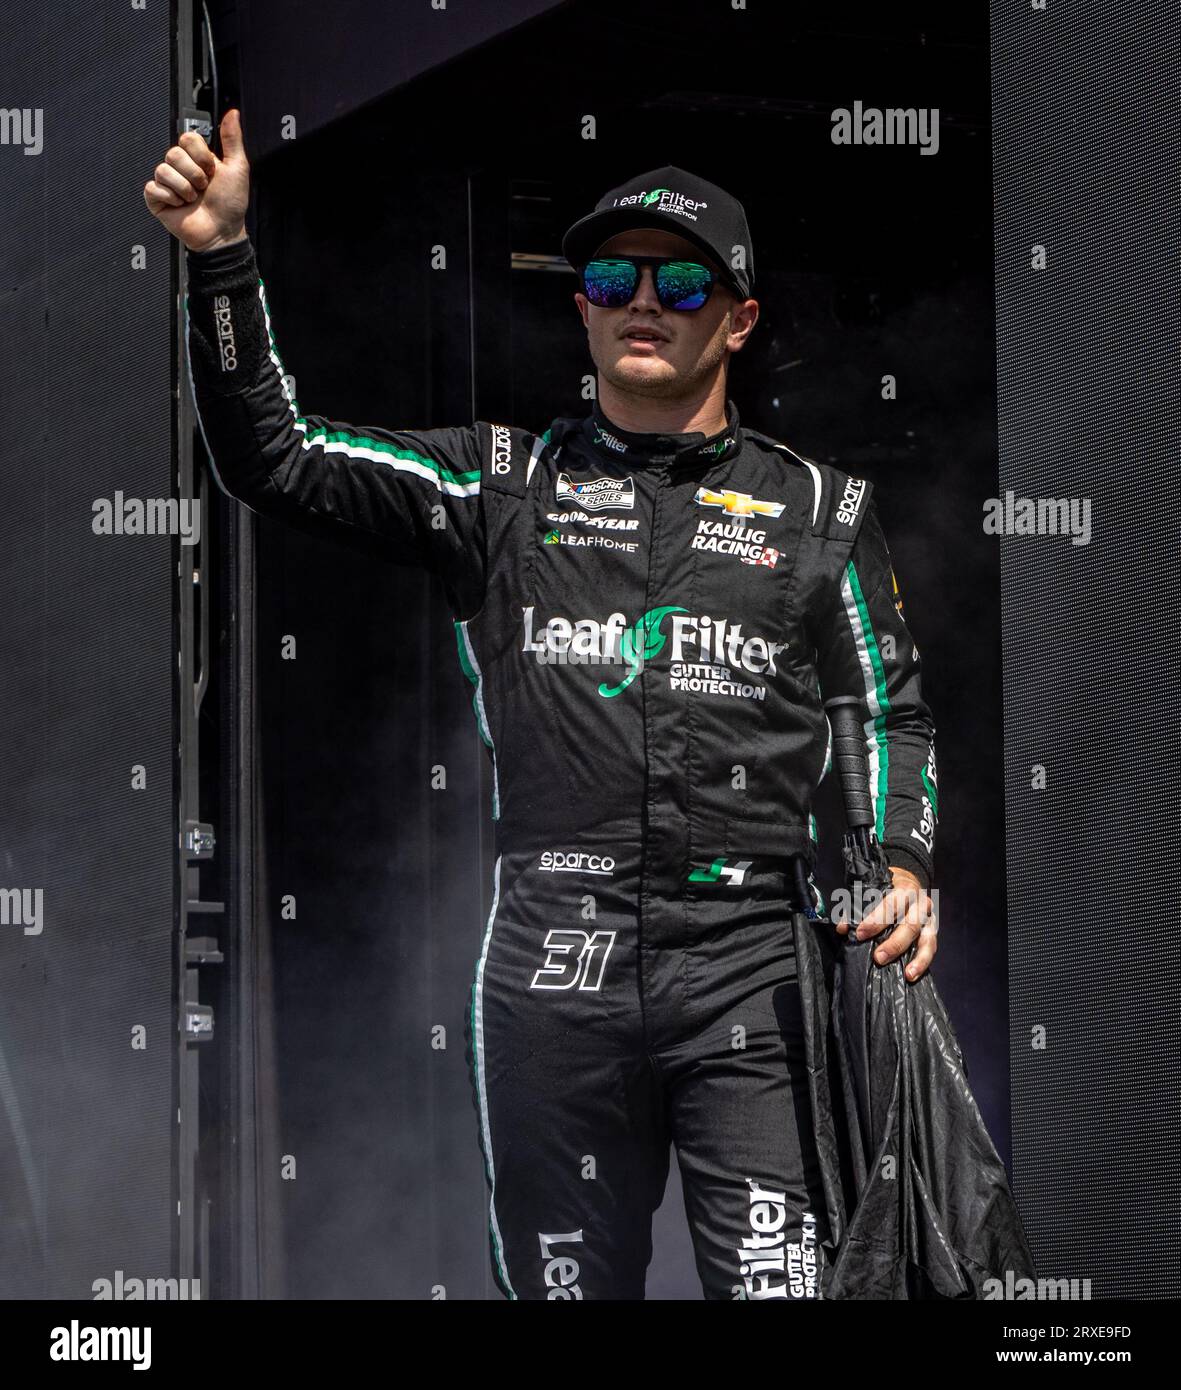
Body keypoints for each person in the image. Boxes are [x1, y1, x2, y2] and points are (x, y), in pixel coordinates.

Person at [145, 109, 940, 1301]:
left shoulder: (819, 506)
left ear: (739, 316)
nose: (642, 301)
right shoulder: (501, 484)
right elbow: (279, 457)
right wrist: (220, 255)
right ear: (579, 304)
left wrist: (904, 862)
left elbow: (885, 707)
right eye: (611, 275)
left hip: (746, 965)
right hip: (548, 963)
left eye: (680, 282)